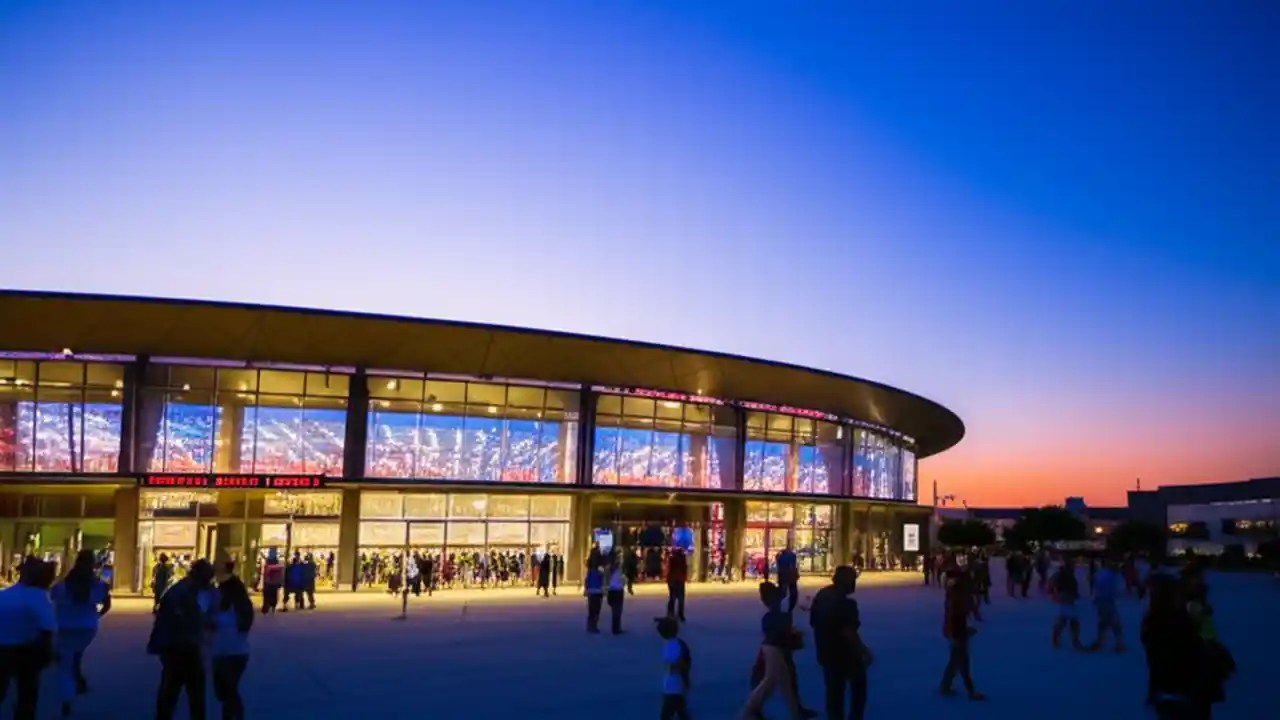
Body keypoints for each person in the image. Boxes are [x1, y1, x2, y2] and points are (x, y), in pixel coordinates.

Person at [149, 558, 216, 720]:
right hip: (181, 646)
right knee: (189, 690)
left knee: (172, 689)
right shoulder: (184, 593)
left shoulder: (181, 590)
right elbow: (184, 619)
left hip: (179, 646)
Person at [51, 549, 112, 717]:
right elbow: (106, 606)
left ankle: (67, 697)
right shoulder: (98, 585)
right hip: (87, 627)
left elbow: (51, 599)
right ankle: (78, 681)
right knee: (74, 655)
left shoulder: (62, 585)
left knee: (65, 664)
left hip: (64, 627)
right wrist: (95, 616)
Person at [1142, 574, 1210, 719]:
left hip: (1167, 690)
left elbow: (1155, 660)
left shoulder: (1152, 623)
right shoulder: (1182, 622)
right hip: (1186, 691)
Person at [810, 565, 870, 720]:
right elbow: (848, 632)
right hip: (844, 654)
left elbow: (813, 621)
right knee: (858, 687)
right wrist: (862, 650)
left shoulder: (822, 595)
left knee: (834, 692)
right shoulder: (846, 604)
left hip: (825, 650)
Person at [739, 582, 805, 720]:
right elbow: (790, 600)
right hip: (774, 647)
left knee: (783, 682)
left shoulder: (773, 608)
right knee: (771, 680)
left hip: (772, 645)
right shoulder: (778, 607)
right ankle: (748, 710)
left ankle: (795, 714)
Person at [0, 557, 56, 720]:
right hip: (26, 650)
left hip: (2, 648)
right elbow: (48, 627)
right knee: (27, 693)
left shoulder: (5, 595)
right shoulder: (38, 597)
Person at [211, 563, 253, 720]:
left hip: (230, 653)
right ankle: (232, 715)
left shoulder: (236, 609)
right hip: (229, 652)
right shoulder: (223, 606)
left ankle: (233, 716)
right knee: (224, 692)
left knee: (228, 691)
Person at [939, 565, 985, 700]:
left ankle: (945, 685)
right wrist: (958, 633)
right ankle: (970, 691)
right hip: (957, 632)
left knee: (955, 661)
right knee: (962, 662)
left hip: (957, 630)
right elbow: (954, 616)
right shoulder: (956, 597)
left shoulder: (954, 595)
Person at [657, 616, 692, 720]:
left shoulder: (674, 646)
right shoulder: (675, 644)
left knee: (668, 712)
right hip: (674, 684)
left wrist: (684, 678)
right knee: (679, 709)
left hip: (674, 685)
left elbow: (681, 665)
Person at [1088, 557, 1126, 653]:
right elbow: (1115, 590)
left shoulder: (1100, 574)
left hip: (1100, 600)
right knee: (1114, 623)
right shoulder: (1112, 576)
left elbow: (1094, 584)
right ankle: (1119, 644)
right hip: (1107, 601)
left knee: (1103, 622)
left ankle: (1099, 641)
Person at [1050, 556, 1085, 651]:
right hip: (1066, 597)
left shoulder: (1066, 573)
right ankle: (1073, 641)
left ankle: (1057, 638)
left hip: (1067, 597)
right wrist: (1054, 593)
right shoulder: (1064, 573)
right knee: (1069, 619)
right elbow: (1052, 583)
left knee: (1066, 619)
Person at [776, 544, 799, 613]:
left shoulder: (780, 557)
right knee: (792, 592)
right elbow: (793, 566)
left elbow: (779, 565)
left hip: (783, 577)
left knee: (783, 592)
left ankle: (779, 605)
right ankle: (790, 607)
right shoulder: (792, 556)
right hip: (791, 577)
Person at [667, 548, 688, 622]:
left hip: (674, 580)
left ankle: (671, 613)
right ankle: (680, 614)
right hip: (679, 580)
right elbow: (684, 570)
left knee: (673, 597)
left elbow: (670, 570)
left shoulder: (672, 559)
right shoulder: (682, 560)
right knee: (680, 598)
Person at [607, 560, 627, 635]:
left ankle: (614, 627)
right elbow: (624, 581)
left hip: (611, 591)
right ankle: (617, 627)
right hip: (618, 591)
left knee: (614, 611)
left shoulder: (609, 572)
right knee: (618, 610)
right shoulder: (620, 573)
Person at [260, 549, 283, 614]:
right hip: (274, 582)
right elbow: (279, 573)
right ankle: (272, 607)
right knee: (273, 595)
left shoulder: (268, 562)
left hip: (268, 582)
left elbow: (266, 573)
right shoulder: (277, 562)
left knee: (267, 595)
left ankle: (266, 607)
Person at [584, 561, 604, 633]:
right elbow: (602, 581)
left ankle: (590, 626)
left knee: (591, 610)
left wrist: (586, 589)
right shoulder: (600, 571)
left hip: (591, 592)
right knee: (596, 610)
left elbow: (586, 581)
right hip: (598, 592)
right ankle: (594, 626)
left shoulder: (590, 572)